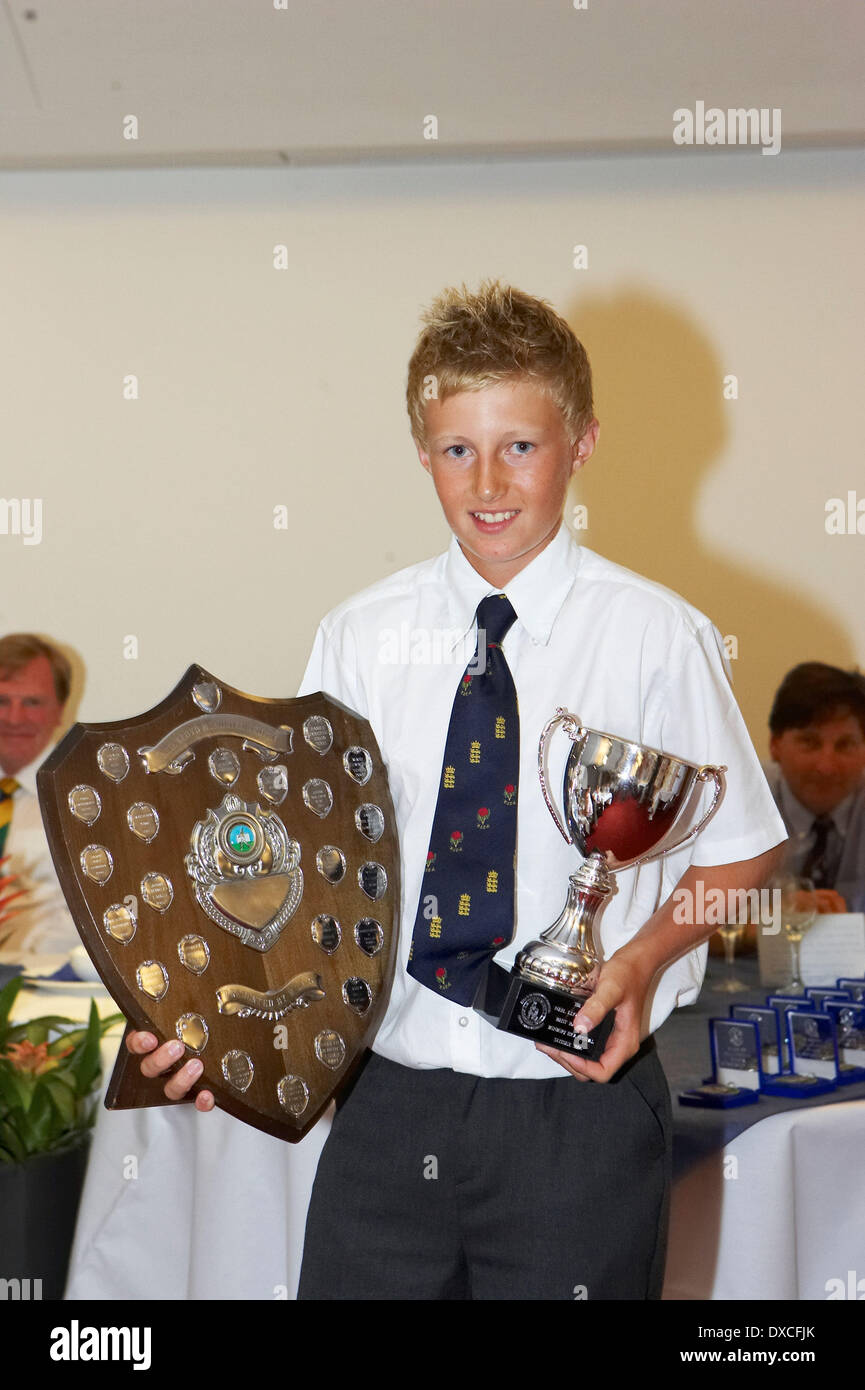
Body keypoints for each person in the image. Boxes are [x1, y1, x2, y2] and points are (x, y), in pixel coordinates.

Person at [127, 280, 786, 1299]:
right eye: (455, 449)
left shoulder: (656, 635)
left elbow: (743, 847)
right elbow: (302, 864)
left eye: (519, 445)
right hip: (389, 1103)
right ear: (423, 453)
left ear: (581, 442)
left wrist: (646, 960)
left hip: (577, 1107)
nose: (488, 481)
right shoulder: (357, 636)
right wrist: (219, 1010)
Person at [0, 632, 79, 954]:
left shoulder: (84, 800)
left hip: (52, 988)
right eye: (2, 701)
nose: (13, 718)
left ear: (60, 710)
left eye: (31, 702)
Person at [764, 662, 865, 913]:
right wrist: (768, 920)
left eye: (845, 745)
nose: (826, 767)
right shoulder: (736, 799)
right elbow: (685, 915)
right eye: (809, 742)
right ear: (775, 745)